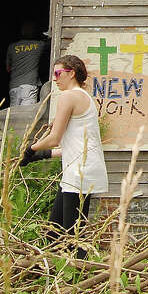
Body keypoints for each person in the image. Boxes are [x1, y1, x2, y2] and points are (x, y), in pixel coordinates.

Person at [20, 54, 107, 253]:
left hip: (79, 172)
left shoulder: (69, 96)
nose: (55, 79)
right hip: (79, 169)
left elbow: (55, 138)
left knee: (73, 236)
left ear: (71, 73)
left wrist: (30, 149)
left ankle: (80, 269)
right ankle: (52, 268)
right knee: (54, 232)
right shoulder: (84, 97)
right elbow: (72, 146)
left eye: (58, 73)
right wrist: (42, 155)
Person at [6, 21, 46, 107]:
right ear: (34, 32)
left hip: (14, 86)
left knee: (14, 113)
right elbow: (49, 40)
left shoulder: (11, 47)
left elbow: (8, 69)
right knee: (27, 113)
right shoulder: (40, 45)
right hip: (29, 85)